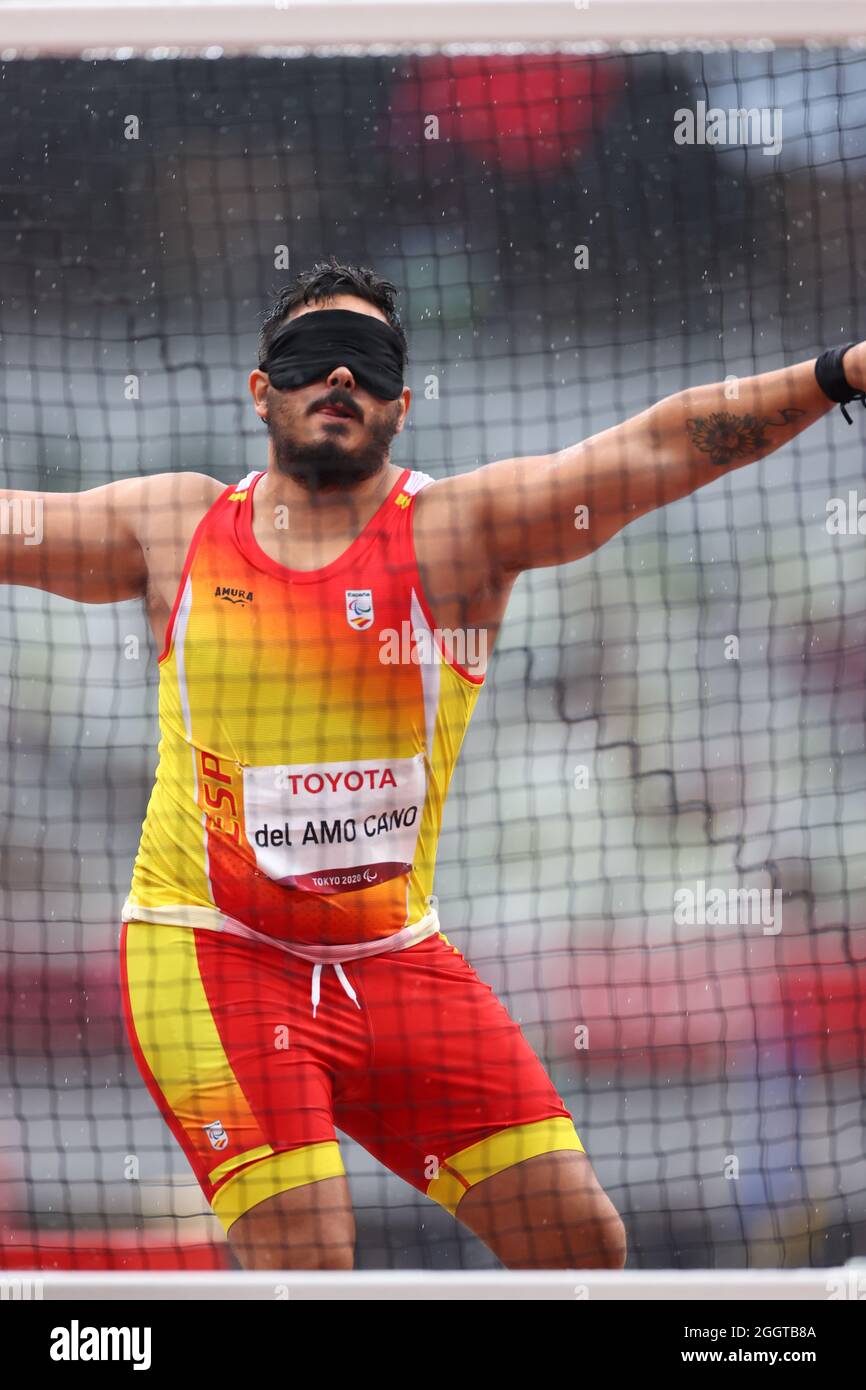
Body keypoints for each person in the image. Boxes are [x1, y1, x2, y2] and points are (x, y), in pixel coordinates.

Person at [3, 257, 863, 1271]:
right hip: (212, 951)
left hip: (393, 956)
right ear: (260, 388)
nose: (338, 379)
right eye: (311, 356)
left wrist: (838, 371)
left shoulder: (454, 536)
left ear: (399, 406)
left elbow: (654, 444)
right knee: (308, 1261)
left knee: (580, 1246)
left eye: (365, 362)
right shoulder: (175, 528)